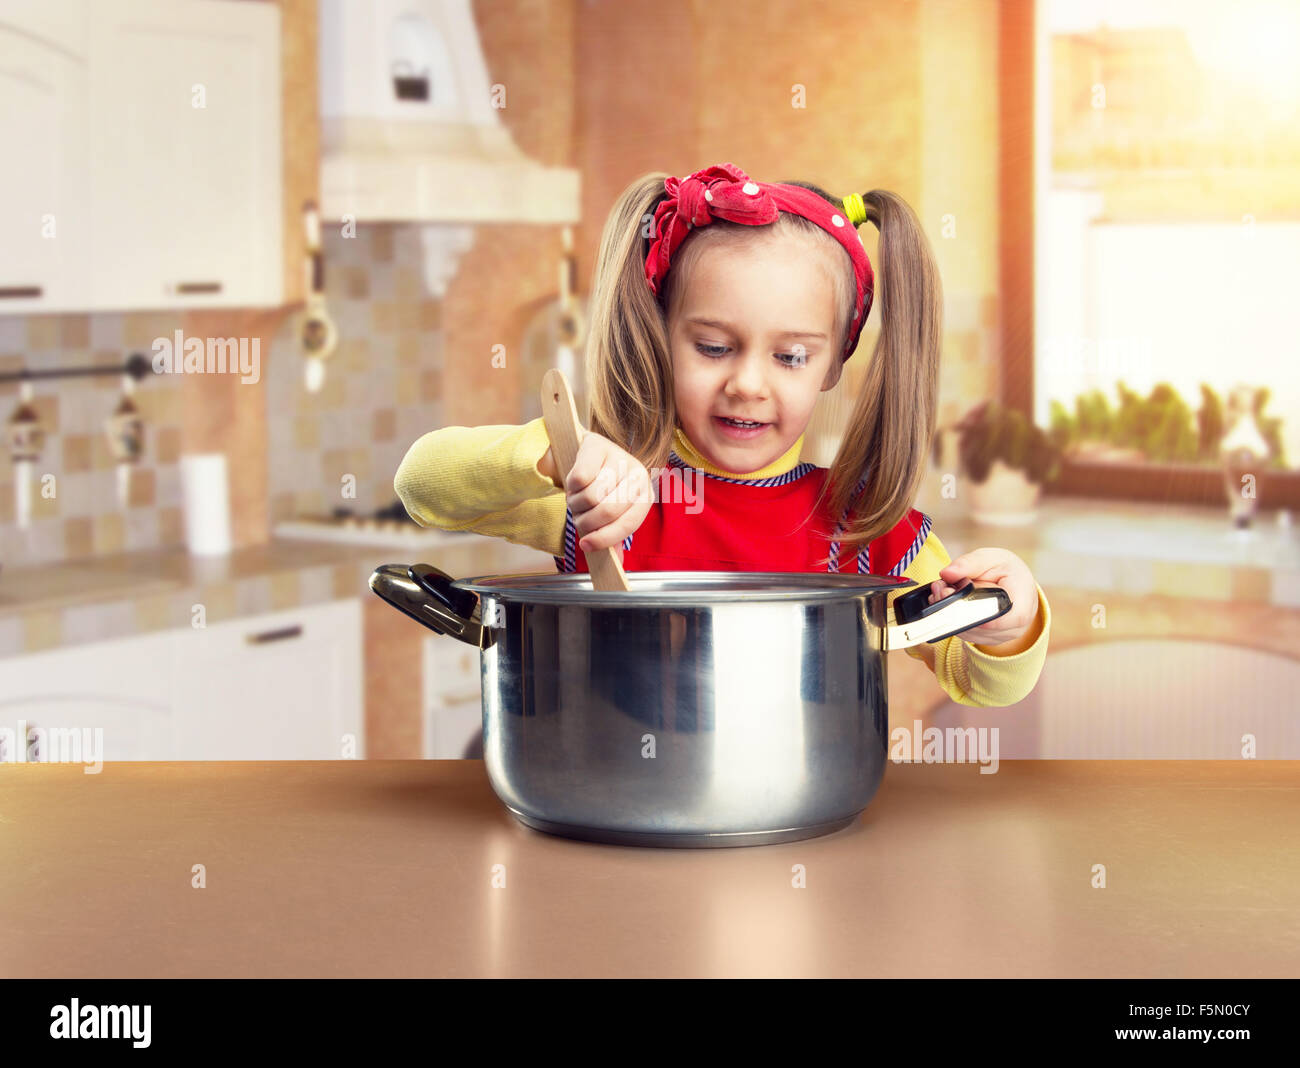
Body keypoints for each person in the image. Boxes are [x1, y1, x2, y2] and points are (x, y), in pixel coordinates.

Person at [395, 162, 1050, 707]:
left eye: (790, 357)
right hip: (606, 811)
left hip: (804, 834)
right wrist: (545, 454)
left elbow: (976, 682)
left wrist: (1011, 626)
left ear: (830, 366)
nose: (747, 384)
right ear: (664, 337)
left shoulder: (864, 529)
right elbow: (421, 486)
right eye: (713, 347)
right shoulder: (603, 494)